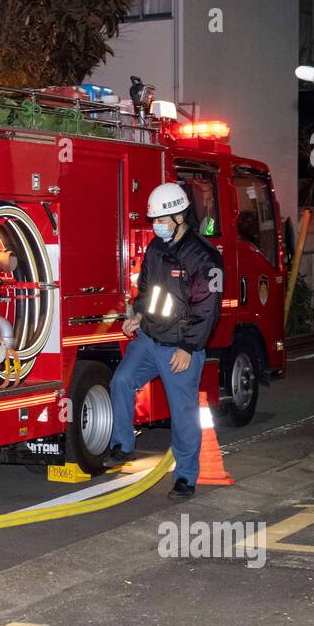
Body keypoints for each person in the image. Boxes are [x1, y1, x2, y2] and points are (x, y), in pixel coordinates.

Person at [107, 182, 223, 499]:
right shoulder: (157, 249)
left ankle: (185, 477)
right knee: (121, 381)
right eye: (154, 220)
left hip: (181, 346)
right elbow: (148, 289)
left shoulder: (204, 258)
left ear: (180, 216)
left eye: (161, 219)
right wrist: (138, 315)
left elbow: (207, 308)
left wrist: (189, 348)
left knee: (183, 414)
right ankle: (122, 444)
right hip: (150, 337)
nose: (156, 225)